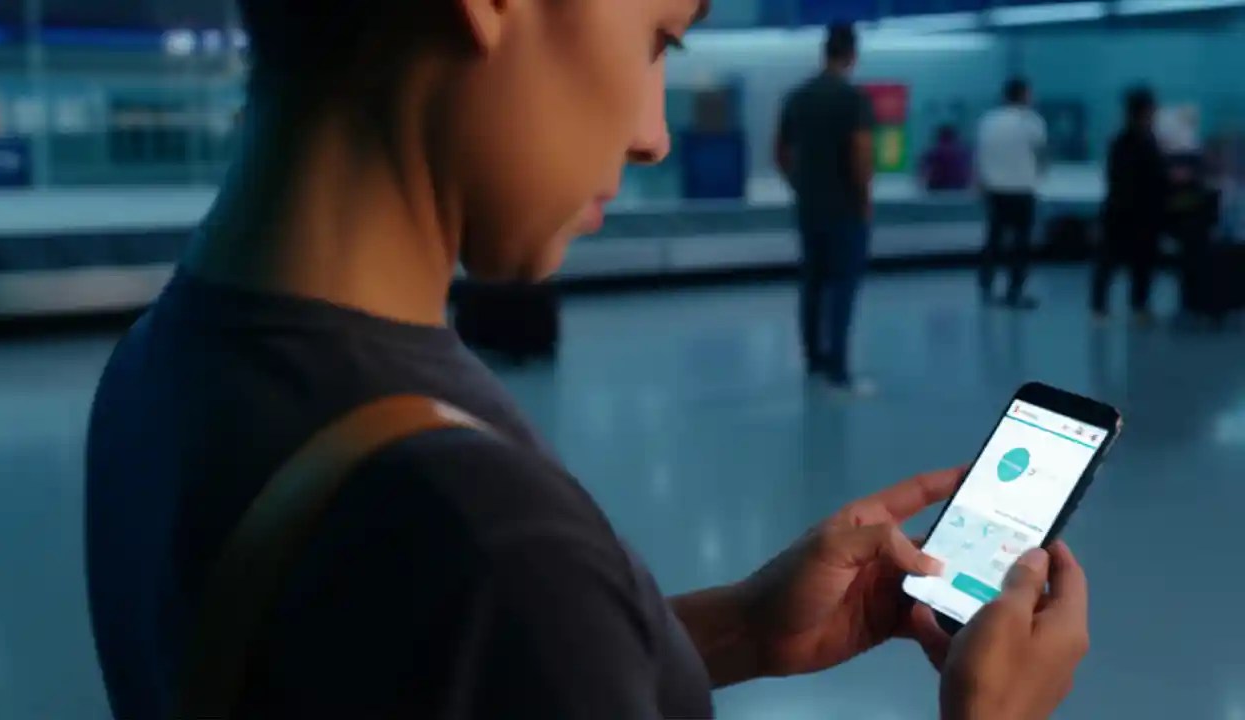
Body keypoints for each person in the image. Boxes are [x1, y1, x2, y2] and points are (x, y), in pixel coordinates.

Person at [85, 1, 1091, 717]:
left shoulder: (159, 366)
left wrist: (739, 630)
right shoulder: (479, 535)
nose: (652, 133)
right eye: (657, 39)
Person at [775, 23, 876, 394]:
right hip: (846, 208)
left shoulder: (797, 97)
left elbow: (780, 152)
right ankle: (839, 369)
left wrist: (800, 185)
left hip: (809, 207)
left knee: (813, 285)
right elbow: (861, 153)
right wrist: (864, 201)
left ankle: (813, 360)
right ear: (852, 54)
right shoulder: (853, 99)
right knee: (843, 288)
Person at [1092, 87, 1167, 323]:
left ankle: (1099, 307)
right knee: (1141, 261)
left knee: (1110, 260)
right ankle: (1138, 307)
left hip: (1118, 208)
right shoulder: (1146, 141)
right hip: (1138, 211)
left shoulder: (1120, 141)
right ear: (1146, 111)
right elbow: (1154, 177)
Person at [976, 77, 1048, 310]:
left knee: (994, 238)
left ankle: (986, 285)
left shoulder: (988, 120)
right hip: (1022, 189)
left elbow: (980, 153)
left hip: (994, 189)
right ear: (1024, 95)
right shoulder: (1032, 122)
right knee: (1020, 242)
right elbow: (1041, 154)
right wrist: (1040, 175)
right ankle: (1014, 290)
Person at [921, 124, 972, 192]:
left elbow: (924, 172)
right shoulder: (963, 152)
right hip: (959, 189)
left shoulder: (934, 152)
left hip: (938, 189)